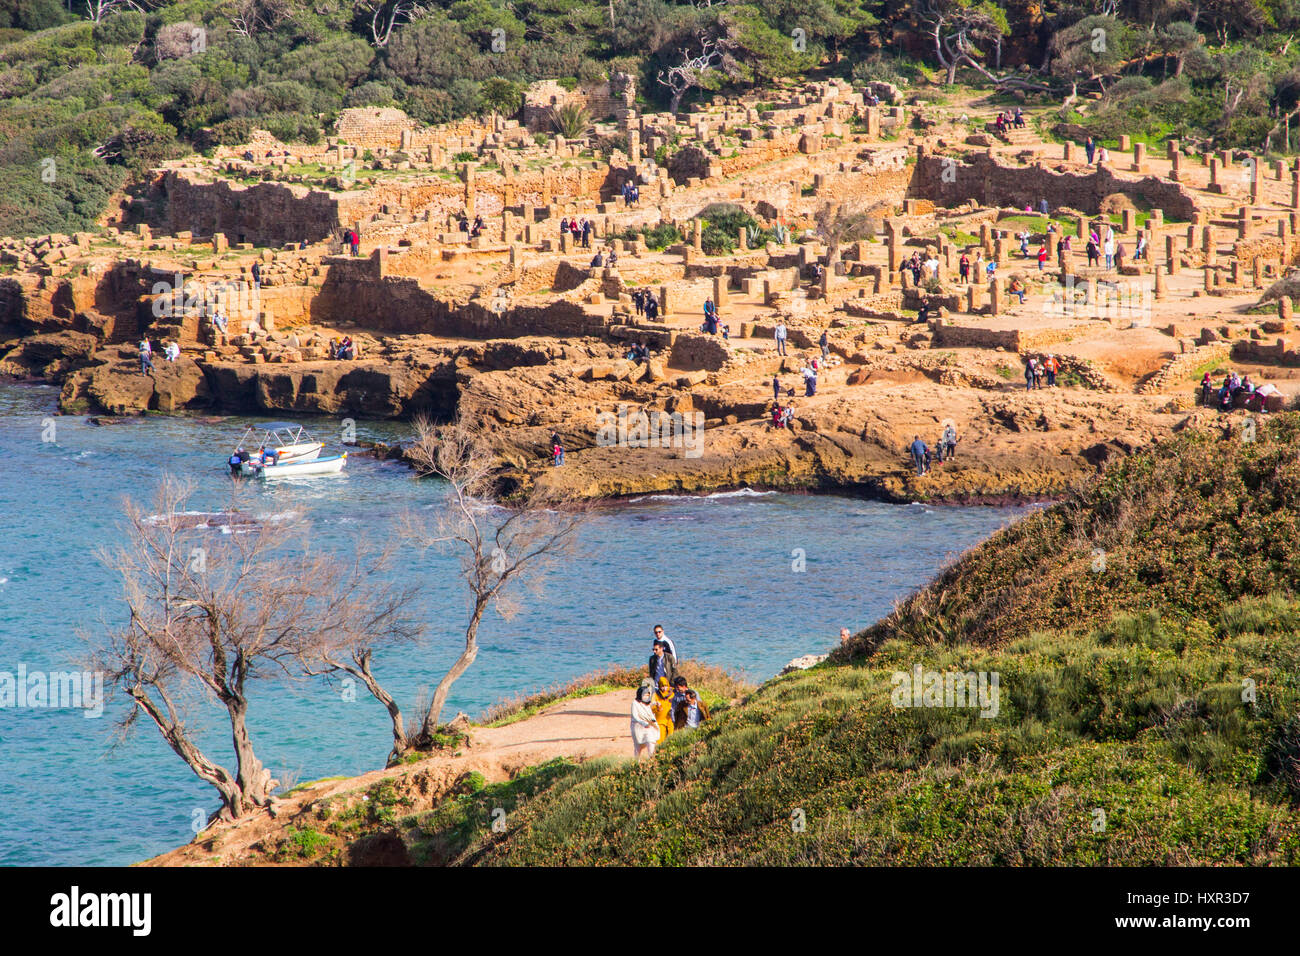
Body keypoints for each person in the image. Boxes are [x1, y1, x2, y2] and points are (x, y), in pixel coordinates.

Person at [631, 685, 660, 759]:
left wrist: (656, 704)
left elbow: (649, 706)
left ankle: (652, 760)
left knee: (651, 741)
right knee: (638, 747)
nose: (646, 697)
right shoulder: (635, 703)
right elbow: (635, 716)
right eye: (645, 695)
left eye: (648, 695)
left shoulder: (648, 702)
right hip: (638, 727)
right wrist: (643, 723)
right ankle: (636, 762)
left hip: (649, 726)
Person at [652, 677, 675, 744]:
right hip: (660, 720)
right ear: (659, 686)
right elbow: (652, 709)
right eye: (662, 686)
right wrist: (657, 707)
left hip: (670, 719)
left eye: (666, 686)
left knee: (671, 739)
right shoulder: (655, 695)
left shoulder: (673, 693)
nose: (664, 688)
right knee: (660, 741)